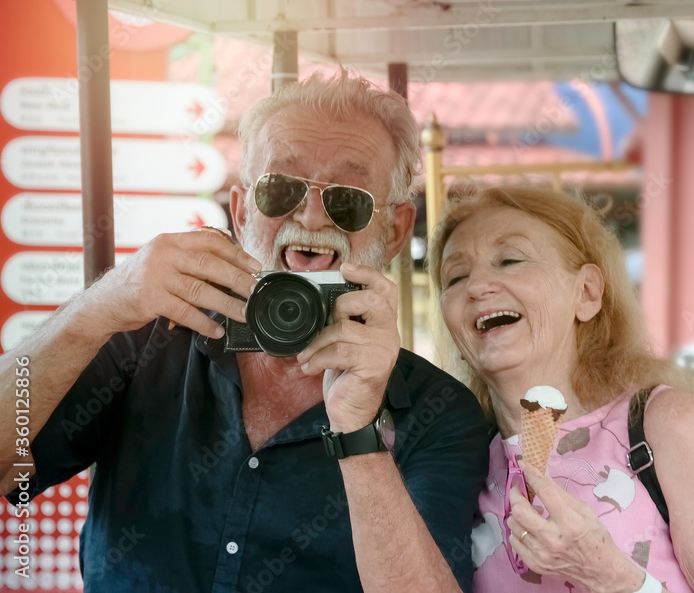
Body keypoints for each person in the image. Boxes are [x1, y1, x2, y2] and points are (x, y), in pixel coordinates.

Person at [0, 71, 490, 592]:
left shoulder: (438, 413)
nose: (311, 214)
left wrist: (360, 435)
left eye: (347, 199)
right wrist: (103, 303)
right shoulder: (149, 335)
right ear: (240, 211)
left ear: (392, 232)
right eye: (281, 189)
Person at [429, 185, 694, 593]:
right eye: (456, 276)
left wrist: (607, 574)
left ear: (587, 294)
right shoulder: (453, 455)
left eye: (510, 260)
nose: (477, 285)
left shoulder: (663, 420)